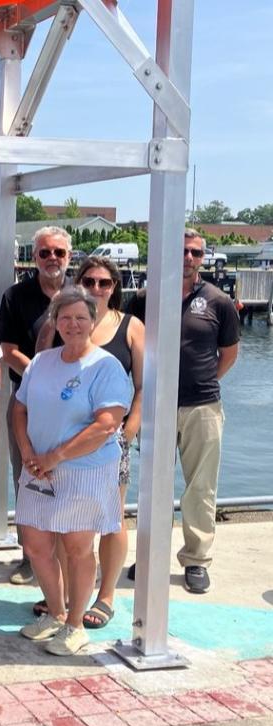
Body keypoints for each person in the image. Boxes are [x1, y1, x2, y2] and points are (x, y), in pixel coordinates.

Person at [13, 286, 132, 655]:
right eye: (65, 317)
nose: (73, 324)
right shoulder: (41, 362)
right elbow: (19, 410)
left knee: (78, 547)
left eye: (81, 317)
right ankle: (55, 612)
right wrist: (30, 452)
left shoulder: (106, 367)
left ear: (92, 321)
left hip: (85, 470)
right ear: (55, 321)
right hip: (37, 468)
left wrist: (56, 456)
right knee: (35, 544)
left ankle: (75, 624)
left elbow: (106, 425)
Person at [125, 229, 239, 593]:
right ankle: (149, 555)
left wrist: (200, 380)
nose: (187, 258)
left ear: (203, 257)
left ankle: (196, 559)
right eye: (181, 251)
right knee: (151, 486)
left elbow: (229, 354)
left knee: (200, 487)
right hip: (155, 406)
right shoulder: (145, 298)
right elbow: (129, 343)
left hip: (202, 406)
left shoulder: (218, 301)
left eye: (195, 252)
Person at [34, 258, 144, 627]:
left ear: (115, 286)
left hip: (109, 441)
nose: (97, 287)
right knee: (66, 525)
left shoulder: (130, 326)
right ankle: (63, 598)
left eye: (104, 282)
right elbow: (39, 369)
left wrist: (127, 430)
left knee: (110, 519)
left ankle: (106, 594)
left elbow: (143, 384)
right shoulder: (61, 323)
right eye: (89, 281)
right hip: (56, 448)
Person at [0, 226, 72, 586]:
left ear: (69, 256)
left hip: (74, 404)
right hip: (25, 401)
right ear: (33, 256)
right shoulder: (16, 296)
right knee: (27, 476)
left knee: (71, 477)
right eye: (44, 253)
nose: (52, 259)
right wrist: (42, 375)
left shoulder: (81, 295)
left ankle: (68, 556)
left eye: (58, 252)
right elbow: (7, 351)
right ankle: (31, 556)